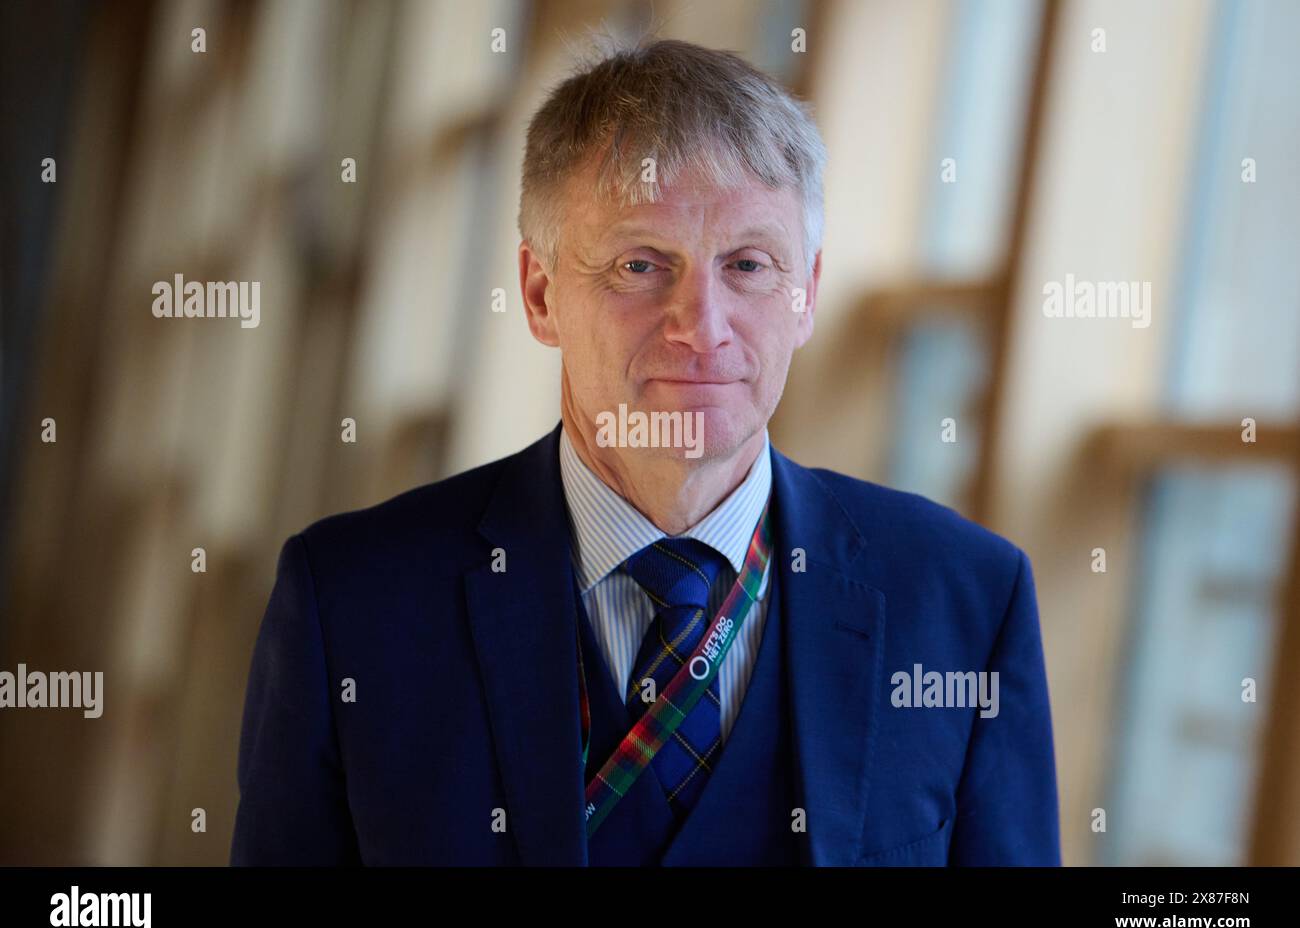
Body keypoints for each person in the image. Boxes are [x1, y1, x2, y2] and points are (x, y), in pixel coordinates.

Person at [231, 37, 1060, 866]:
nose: (701, 327)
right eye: (639, 265)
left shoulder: (965, 605)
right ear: (540, 293)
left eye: (747, 265)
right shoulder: (352, 605)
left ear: (806, 293)